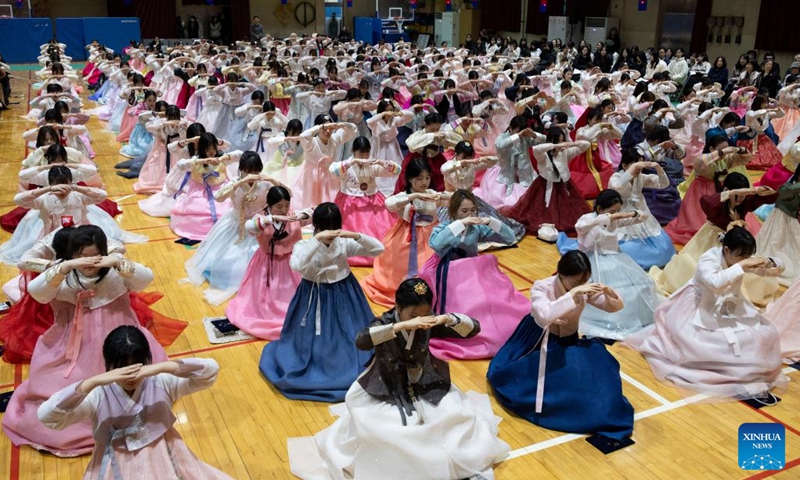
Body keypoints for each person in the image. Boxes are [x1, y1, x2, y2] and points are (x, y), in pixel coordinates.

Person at [288, 278, 510, 480]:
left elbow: (473, 330)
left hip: (425, 383)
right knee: (388, 431)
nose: (420, 319)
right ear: (397, 306)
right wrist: (400, 326)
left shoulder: (428, 322)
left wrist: (447, 318)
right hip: (386, 386)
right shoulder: (384, 322)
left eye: (425, 313)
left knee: (452, 414)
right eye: (413, 315)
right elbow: (362, 340)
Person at [2, 226, 168, 456]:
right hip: (72, 339)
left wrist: (116, 261)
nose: (89, 263)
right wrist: (64, 266)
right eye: (82, 257)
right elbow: (36, 288)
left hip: (118, 335)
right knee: (69, 385)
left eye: (94, 255)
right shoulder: (63, 276)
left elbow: (144, 279)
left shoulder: (115, 272)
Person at [38, 326, 232, 479]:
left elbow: (210, 371)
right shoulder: (98, 394)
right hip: (114, 461)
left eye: (137, 365)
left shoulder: (161, 381)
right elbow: (47, 417)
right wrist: (92, 382)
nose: (131, 376)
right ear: (109, 366)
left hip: (164, 452)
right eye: (122, 368)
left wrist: (163, 366)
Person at [488, 250, 634, 450]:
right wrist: (573, 294)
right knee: (525, 383)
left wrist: (609, 293)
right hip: (537, 340)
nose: (580, 286)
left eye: (585, 281)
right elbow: (546, 315)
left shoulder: (581, 287)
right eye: (575, 283)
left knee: (598, 372)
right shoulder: (542, 287)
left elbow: (611, 307)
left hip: (568, 341)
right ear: (561, 274)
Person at [627, 227, 787, 402]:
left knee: (764, 333)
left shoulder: (739, 257)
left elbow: (777, 269)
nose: (745, 259)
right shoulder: (709, 258)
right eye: (741, 256)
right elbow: (715, 282)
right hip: (698, 306)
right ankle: (728, 372)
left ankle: (746, 372)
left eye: (747, 256)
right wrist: (742, 266)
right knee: (708, 343)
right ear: (726, 250)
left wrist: (769, 262)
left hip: (729, 305)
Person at [259, 203, 384, 402]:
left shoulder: (343, 244)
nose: (329, 233)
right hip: (313, 297)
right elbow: (297, 265)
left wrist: (355, 235)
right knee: (312, 341)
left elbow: (378, 249)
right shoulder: (304, 244)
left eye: (333, 228)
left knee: (351, 336)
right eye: (324, 228)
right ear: (316, 226)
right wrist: (316, 240)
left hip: (345, 294)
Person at [419, 190, 528, 360]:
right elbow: (436, 243)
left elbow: (509, 237)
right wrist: (461, 223)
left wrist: (490, 221)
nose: (470, 215)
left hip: (470, 270)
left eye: (473, 210)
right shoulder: (443, 227)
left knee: (492, 296)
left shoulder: (476, 229)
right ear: (454, 211)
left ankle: (496, 327)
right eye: (464, 211)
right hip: (445, 270)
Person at [362, 158, 451, 307]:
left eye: (427, 178)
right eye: (419, 178)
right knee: (404, 262)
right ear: (410, 179)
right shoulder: (404, 196)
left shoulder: (431, 194)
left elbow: (451, 199)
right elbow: (389, 204)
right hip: (407, 236)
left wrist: (442, 196)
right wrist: (414, 196)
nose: (424, 182)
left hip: (431, 235)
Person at [226, 186, 311, 340]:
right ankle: (265, 312)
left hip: (291, 264)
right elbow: (249, 227)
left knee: (292, 295)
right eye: (279, 206)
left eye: (286, 205)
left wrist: (302, 215)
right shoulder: (261, 219)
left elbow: (314, 212)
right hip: (266, 264)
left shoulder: (293, 215)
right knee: (263, 297)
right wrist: (273, 219)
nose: (284, 210)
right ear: (269, 205)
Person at [573, 190, 657, 340]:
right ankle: (608, 318)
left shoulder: (616, 220)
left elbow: (643, 217)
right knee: (604, 290)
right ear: (599, 209)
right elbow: (580, 228)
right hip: (592, 260)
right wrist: (609, 217)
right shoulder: (587, 219)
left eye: (618, 210)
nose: (616, 214)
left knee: (643, 282)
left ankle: (634, 317)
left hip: (615, 257)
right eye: (612, 211)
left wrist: (631, 214)